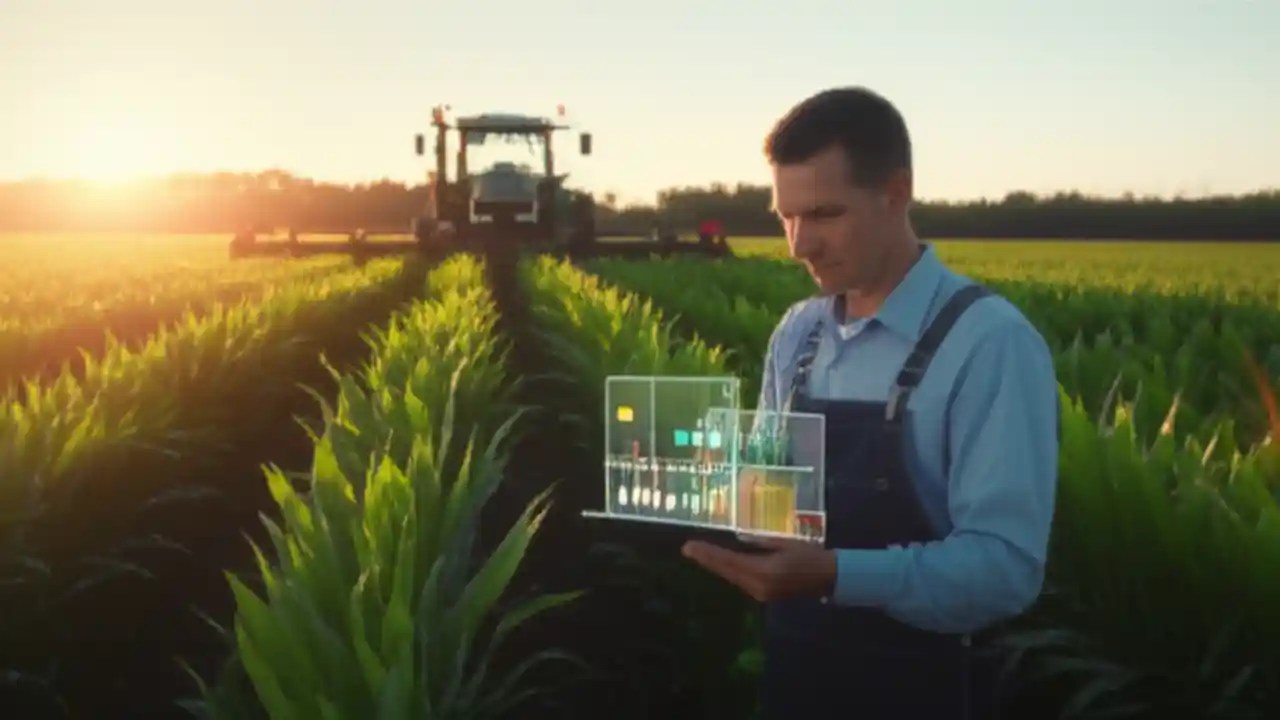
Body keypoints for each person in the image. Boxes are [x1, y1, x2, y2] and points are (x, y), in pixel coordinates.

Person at [680, 87, 1060, 719]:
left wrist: (833, 575)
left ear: (896, 192)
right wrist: (705, 488)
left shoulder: (989, 343)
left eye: (824, 214)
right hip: (797, 677)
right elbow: (773, 503)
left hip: (921, 689)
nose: (799, 245)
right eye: (785, 218)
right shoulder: (798, 334)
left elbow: (1004, 569)